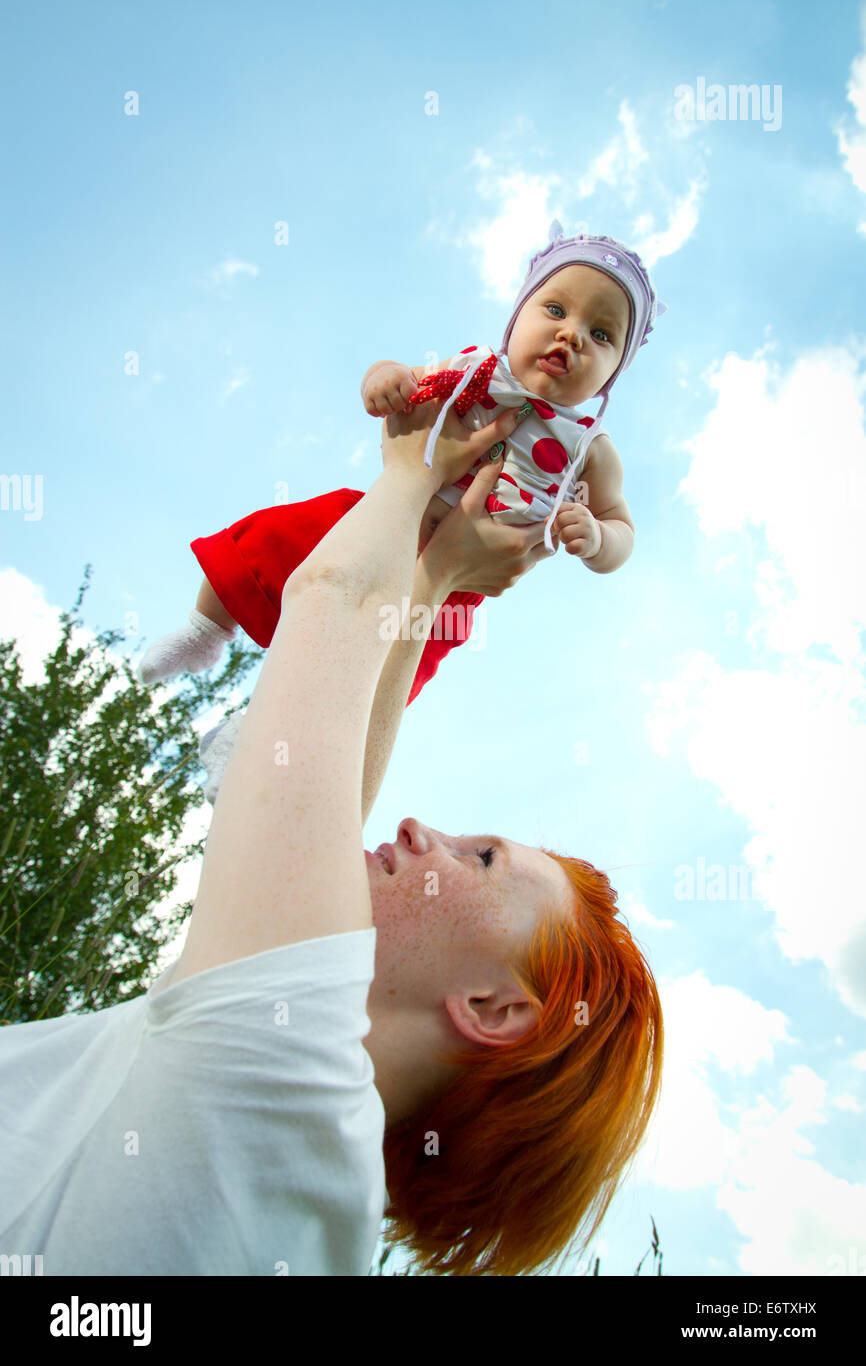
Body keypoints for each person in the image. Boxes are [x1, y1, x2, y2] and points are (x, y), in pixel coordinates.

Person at [0, 396, 662, 1278]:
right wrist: (437, 583)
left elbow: (331, 600)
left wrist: (411, 468)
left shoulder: (289, 1084)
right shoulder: (307, 1169)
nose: (423, 828)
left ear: (496, 1010)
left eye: (486, 858)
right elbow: (316, 799)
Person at [135, 224, 666, 722]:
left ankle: (261, 734)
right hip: (382, 519)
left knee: (371, 679)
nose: (571, 335)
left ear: (614, 370)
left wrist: (598, 539)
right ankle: (204, 631)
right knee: (265, 542)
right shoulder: (475, 371)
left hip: (458, 586)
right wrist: (383, 379)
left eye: (600, 334)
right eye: (555, 309)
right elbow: (400, 374)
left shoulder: (589, 448)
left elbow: (623, 527)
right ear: (517, 316)